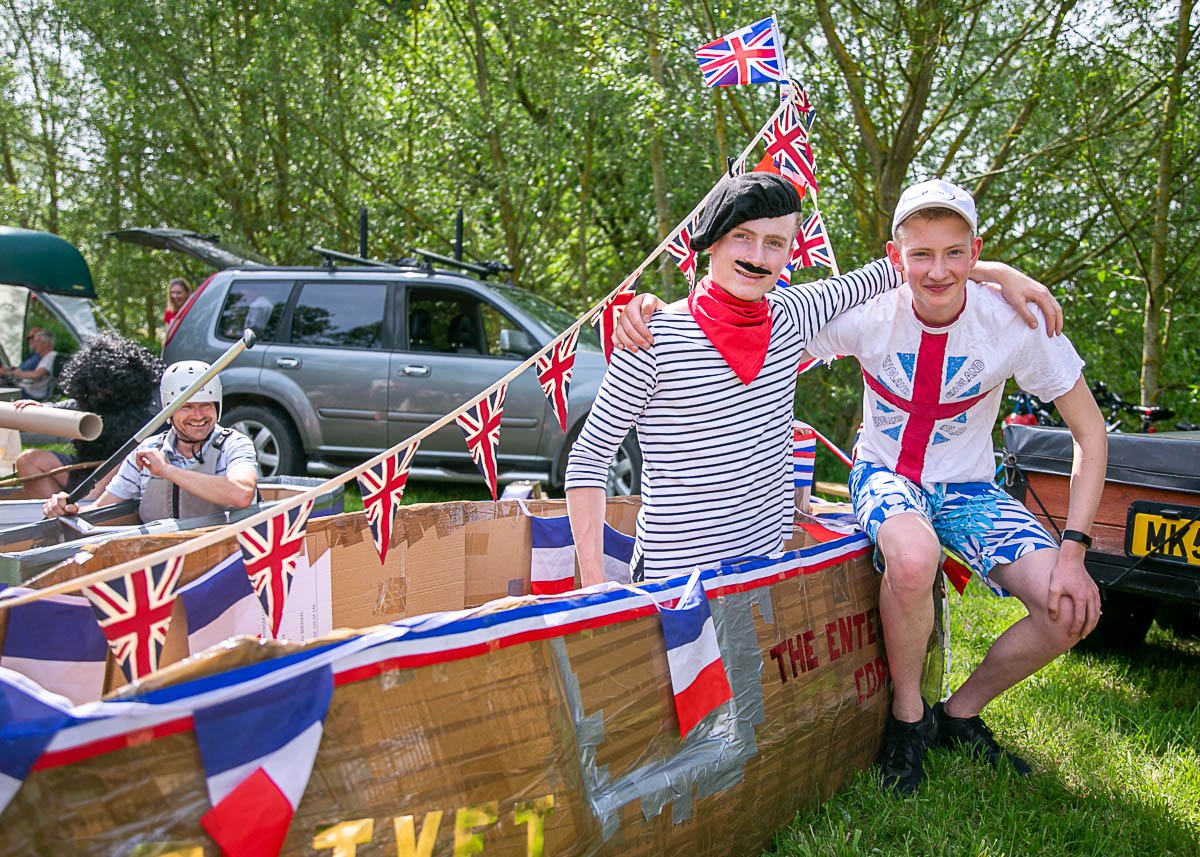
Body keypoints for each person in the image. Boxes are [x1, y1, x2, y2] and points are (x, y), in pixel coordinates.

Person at [566, 171, 1060, 588]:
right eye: (742, 235)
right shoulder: (653, 337)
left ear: (787, 255)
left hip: (763, 570)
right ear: (711, 240)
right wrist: (593, 585)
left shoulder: (795, 312)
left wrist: (996, 272)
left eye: (775, 243)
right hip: (674, 582)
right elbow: (588, 459)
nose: (757, 255)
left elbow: (904, 269)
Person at [797, 179, 1105, 794]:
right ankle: (907, 720)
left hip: (969, 488)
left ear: (975, 250)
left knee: (1070, 611)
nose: (938, 271)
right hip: (886, 475)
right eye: (921, 254)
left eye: (955, 254)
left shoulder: (1015, 323)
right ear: (894, 257)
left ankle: (958, 715)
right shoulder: (867, 315)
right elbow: (758, 324)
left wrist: (1073, 554)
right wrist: (649, 316)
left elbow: (1091, 435)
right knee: (914, 557)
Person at [43, 360, 259, 522]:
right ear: (169, 411)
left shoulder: (234, 444)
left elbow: (241, 493)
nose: (198, 415)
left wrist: (167, 470)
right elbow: (102, 507)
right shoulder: (147, 449)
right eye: (187, 407)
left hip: (221, 558)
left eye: (206, 405)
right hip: (159, 556)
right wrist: (69, 509)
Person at [14, 334, 164, 498]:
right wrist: (41, 408)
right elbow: (63, 409)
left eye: (106, 386)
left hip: (124, 477)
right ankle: (55, 519)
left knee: (116, 464)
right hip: (83, 470)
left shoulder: (150, 411)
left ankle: (81, 511)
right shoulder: (88, 402)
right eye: (95, 387)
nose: (100, 393)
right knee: (28, 460)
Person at [0, 330, 57, 401]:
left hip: (32, 394)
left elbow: (36, 375)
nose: (33, 344)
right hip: (28, 389)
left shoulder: (51, 356)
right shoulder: (44, 357)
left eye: (37, 341)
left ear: (46, 344)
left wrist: (13, 373)